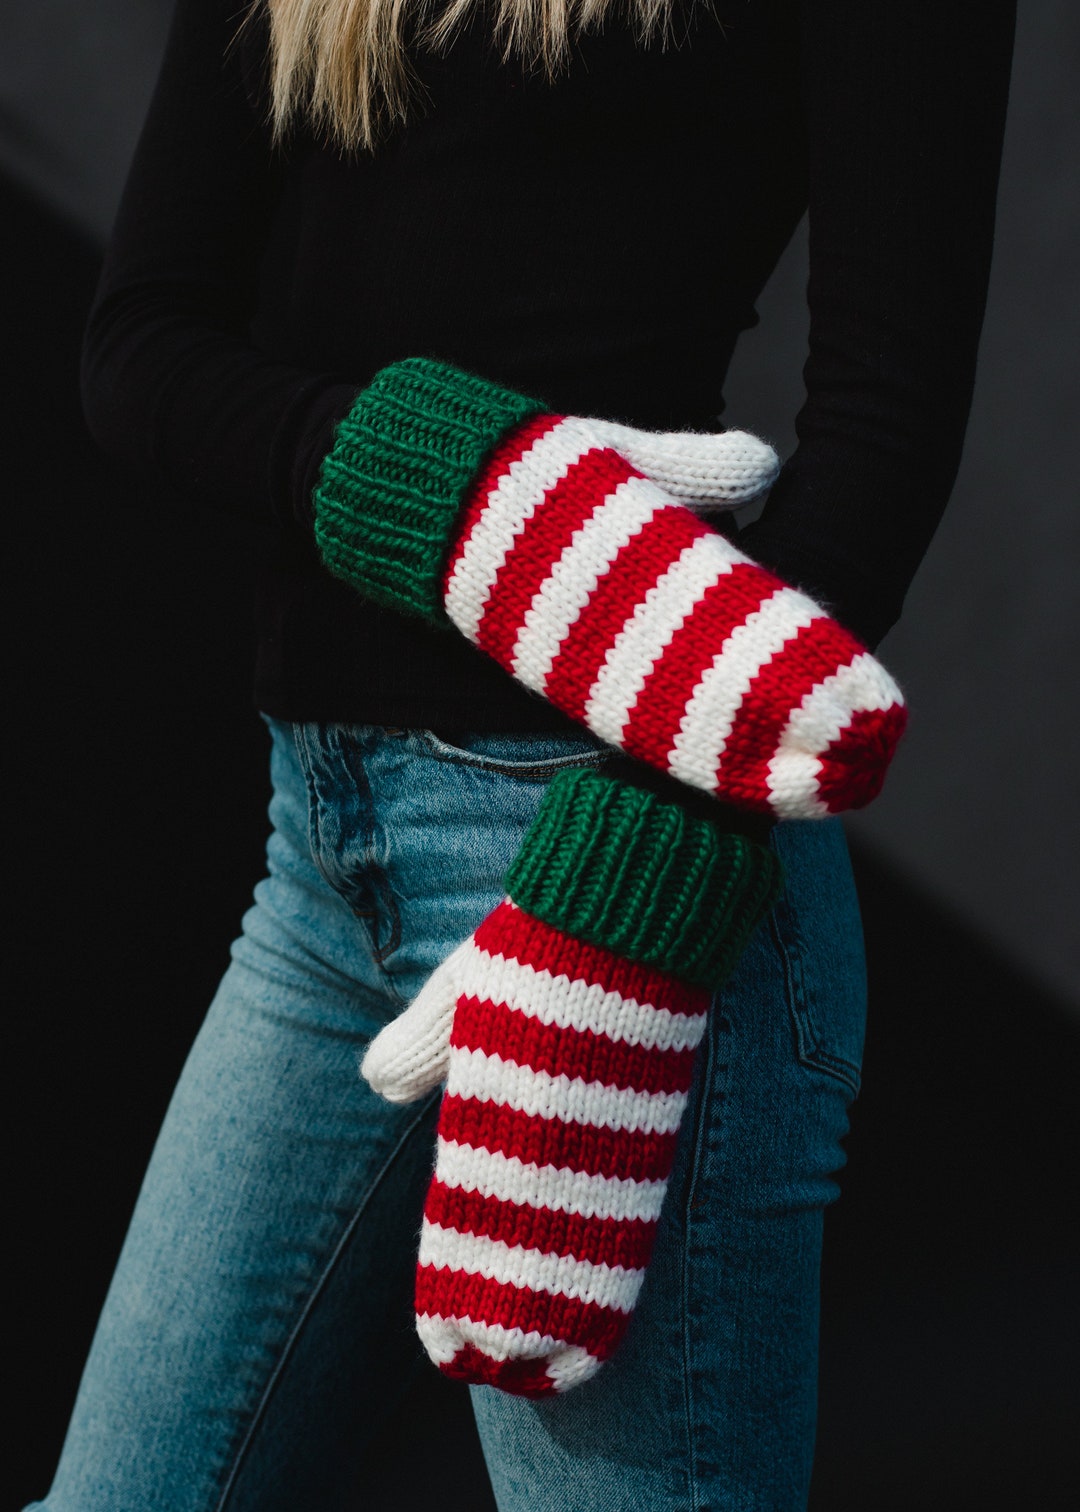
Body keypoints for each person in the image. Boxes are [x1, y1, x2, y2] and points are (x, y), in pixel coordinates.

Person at [28, 0, 1015, 1507]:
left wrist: (636, 869)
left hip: (623, 842)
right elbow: (142, 348)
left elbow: (886, 423)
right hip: (322, 860)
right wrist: (476, 497)